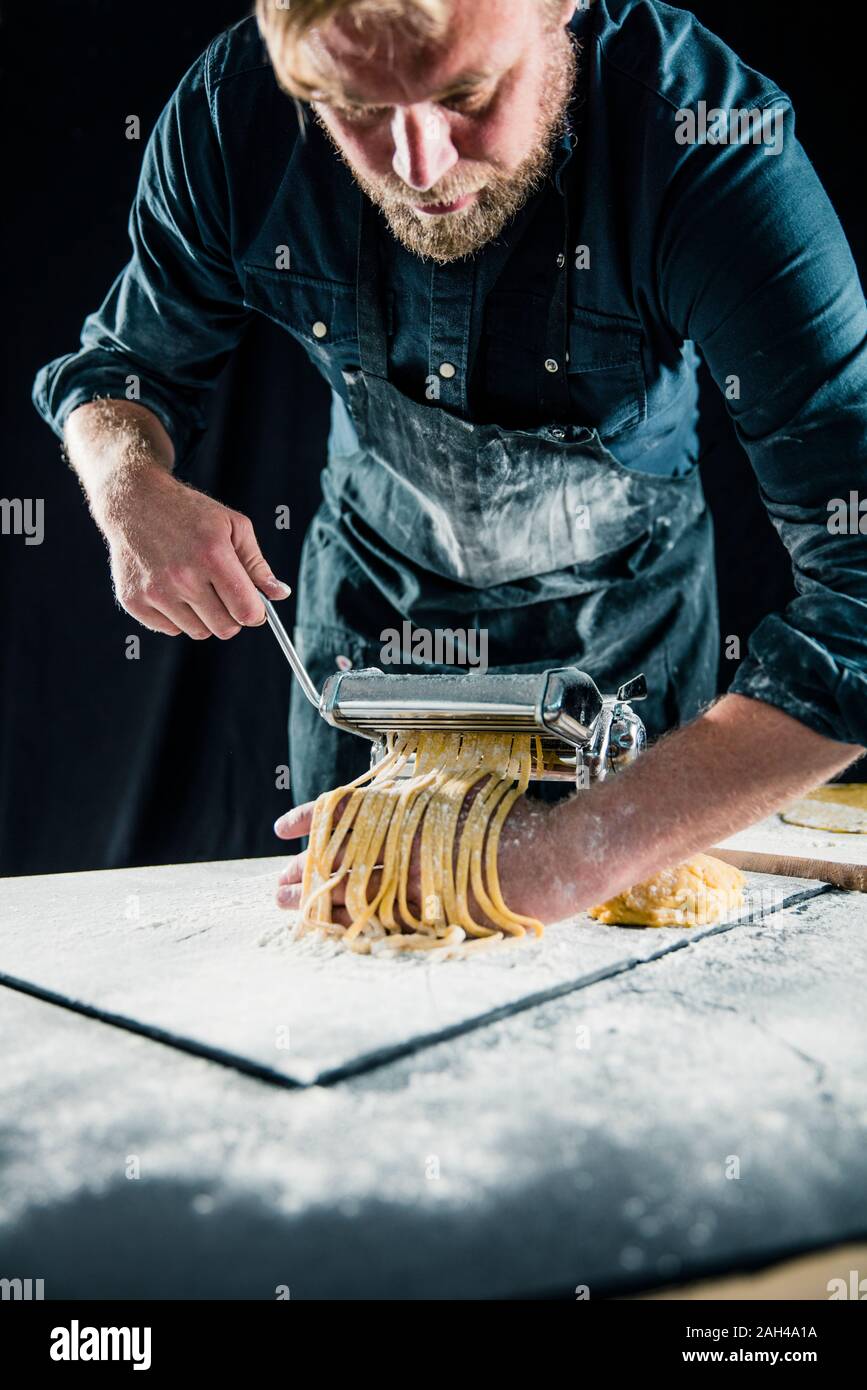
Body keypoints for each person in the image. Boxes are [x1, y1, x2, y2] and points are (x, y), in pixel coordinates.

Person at [33, 0, 867, 926]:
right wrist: (127, 485)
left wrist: (558, 860)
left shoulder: (706, 142)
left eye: (468, 92)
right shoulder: (235, 110)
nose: (418, 169)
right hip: (367, 638)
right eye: (352, 105)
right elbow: (121, 370)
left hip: (627, 646)